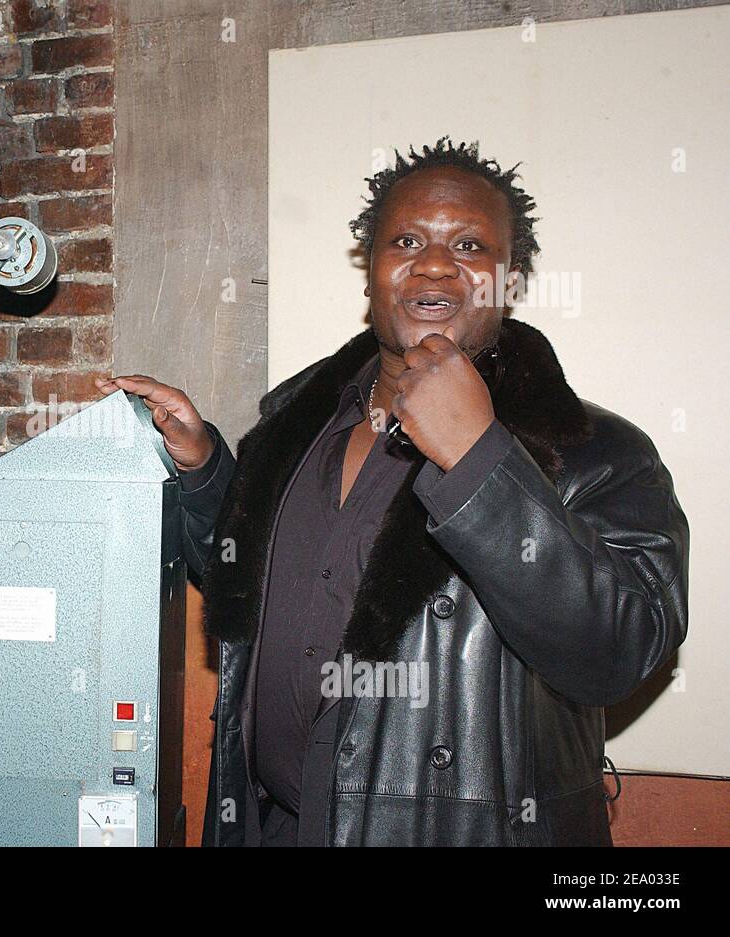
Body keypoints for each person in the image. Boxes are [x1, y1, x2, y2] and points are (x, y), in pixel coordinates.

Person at [98, 138, 689, 846]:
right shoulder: (294, 426)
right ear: (372, 269)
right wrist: (202, 469)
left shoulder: (591, 450)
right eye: (405, 239)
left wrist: (479, 461)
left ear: (510, 277)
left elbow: (619, 650)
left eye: (469, 245)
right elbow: (248, 582)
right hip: (271, 826)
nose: (434, 263)